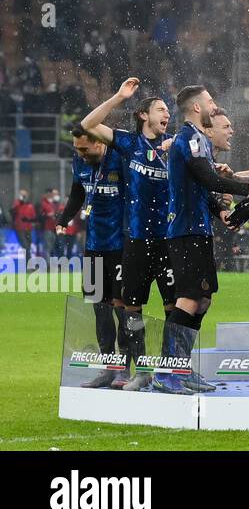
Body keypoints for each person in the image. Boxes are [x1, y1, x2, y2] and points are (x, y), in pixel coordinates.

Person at [156, 86, 249, 394]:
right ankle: (165, 371)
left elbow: (200, 186)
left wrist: (219, 210)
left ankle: (179, 367)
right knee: (189, 298)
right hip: (185, 231)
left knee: (203, 299)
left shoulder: (198, 142)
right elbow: (208, 180)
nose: (213, 104)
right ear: (196, 108)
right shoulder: (190, 139)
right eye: (209, 101)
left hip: (198, 229)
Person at [80, 77, 177, 392]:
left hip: (153, 241)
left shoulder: (170, 147)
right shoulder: (121, 147)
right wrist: (118, 97)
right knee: (106, 308)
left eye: (168, 110)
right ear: (143, 115)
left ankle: (172, 370)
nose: (167, 114)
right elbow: (87, 123)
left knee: (172, 308)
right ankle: (121, 368)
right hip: (108, 246)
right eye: (160, 109)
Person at [66, 129, 129, 389]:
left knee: (123, 308)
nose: (80, 154)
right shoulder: (80, 161)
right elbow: (78, 193)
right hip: (93, 246)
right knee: (99, 307)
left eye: (84, 149)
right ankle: (108, 368)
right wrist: (63, 218)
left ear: (99, 143)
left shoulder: (120, 159)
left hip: (121, 245)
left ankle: (126, 369)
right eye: (77, 149)